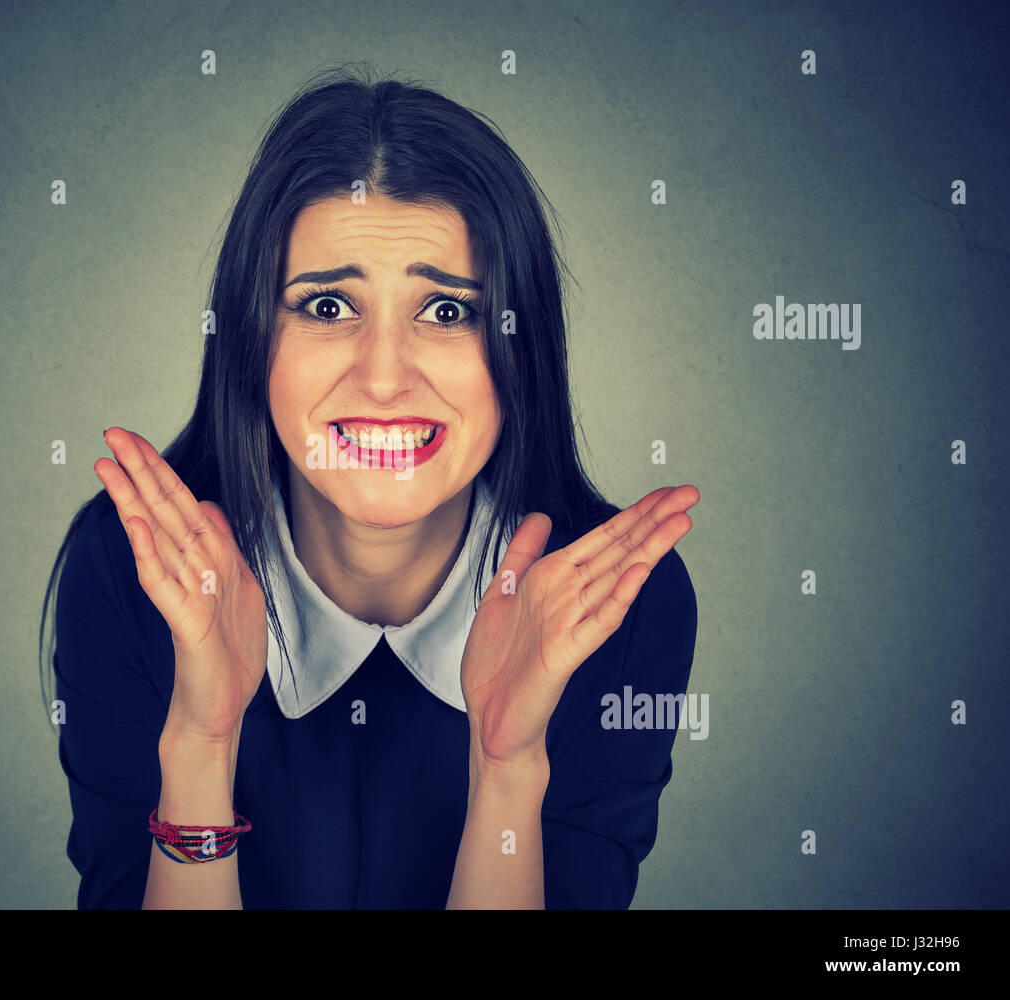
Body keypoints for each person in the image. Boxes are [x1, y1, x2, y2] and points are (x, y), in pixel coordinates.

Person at [38, 64, 700, 909]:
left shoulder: (615, 603)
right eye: (325, 308)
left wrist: (506, 766)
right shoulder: (137, 569)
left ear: (518, 350)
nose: (384, 378)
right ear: (250, 340)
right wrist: (202, 743)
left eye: (448, 311)